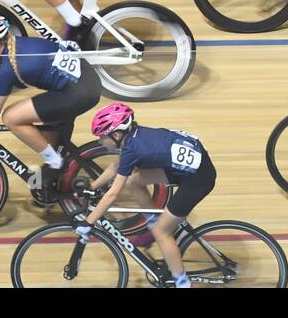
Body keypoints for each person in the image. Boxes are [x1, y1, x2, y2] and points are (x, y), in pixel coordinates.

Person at [0, 15, 102, 200]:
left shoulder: (8, 67)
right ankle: (50, 186)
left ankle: (56, 163)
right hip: (80, 84)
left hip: (78, 93)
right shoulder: (10, 47)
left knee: (11, 117)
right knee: (47, 140)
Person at [78, 103, 216, 290]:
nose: (101, 142)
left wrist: (89, 222)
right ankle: (153, 227)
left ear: (116, 134)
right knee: (134, 181)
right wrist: (93, 187)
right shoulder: (134, 136)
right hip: (190, 168)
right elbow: (115, 167)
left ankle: (183, 284)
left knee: (162, 231)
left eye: (102, 137)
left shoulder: (132, 149)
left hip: (197, 180)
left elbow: (112, 194)